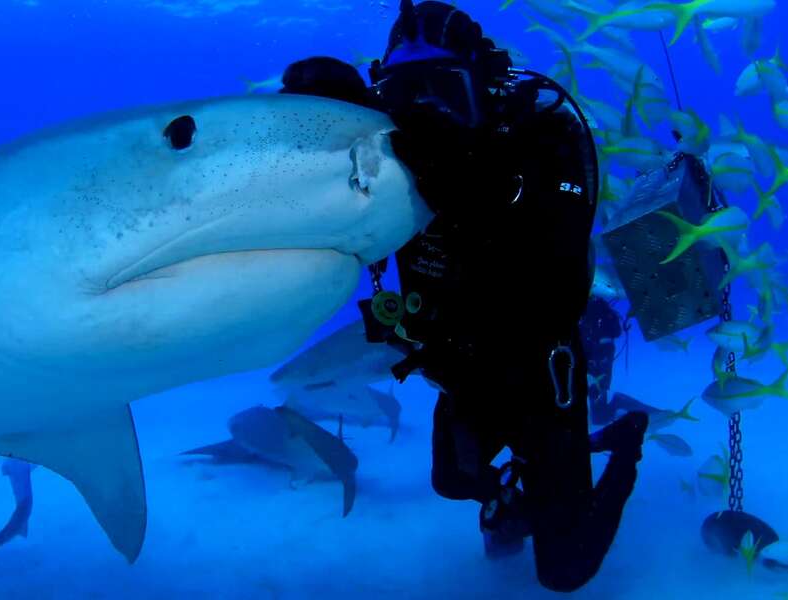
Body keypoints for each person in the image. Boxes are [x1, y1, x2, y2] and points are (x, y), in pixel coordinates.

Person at [278, 1, 649, 592]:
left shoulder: (545, 133)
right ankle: (530, 480)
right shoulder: (386, 154)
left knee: (564, 571)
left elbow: (557, 280)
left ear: (485, 82)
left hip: (539, 369)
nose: (423, 110)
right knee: (453, 483)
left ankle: (625, 442)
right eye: (406, 91)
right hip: (460, 368)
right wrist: (325, 113)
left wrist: (457, 177)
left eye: (443, 88)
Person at [580, 295, 624, 425]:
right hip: (599, 358)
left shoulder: (596, 309)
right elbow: (617, 332)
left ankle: (618, 403)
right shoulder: (604, 309)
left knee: (598, 416)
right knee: (597, 409)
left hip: (596, 360)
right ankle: (614, 406)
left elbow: (615, 332)